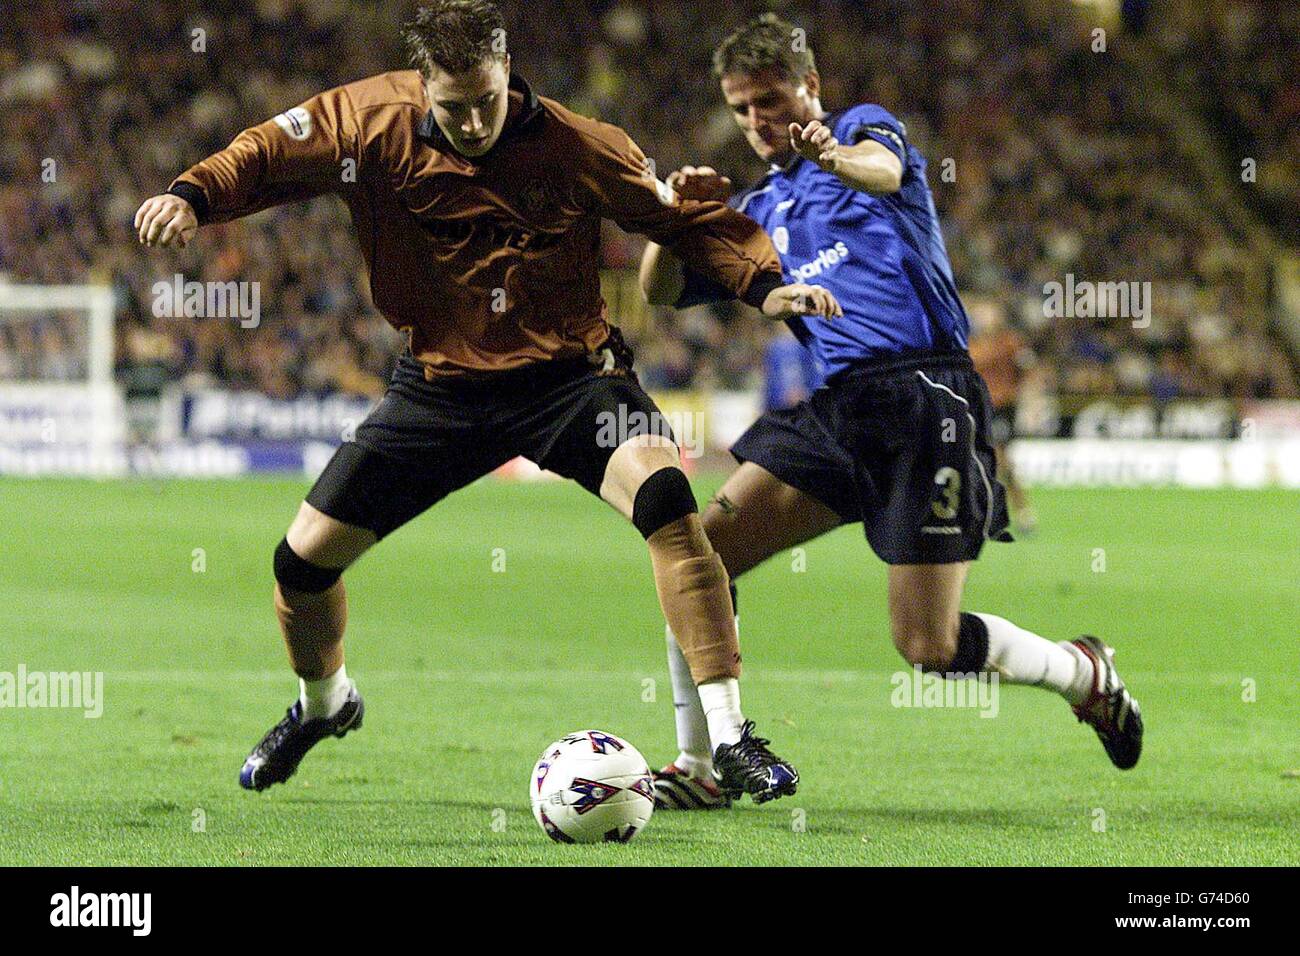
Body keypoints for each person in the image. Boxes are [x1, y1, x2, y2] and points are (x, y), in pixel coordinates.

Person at [135, 0, 841, 803]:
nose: (474, 123)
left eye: (488, 101)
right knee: (300, 564)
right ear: (422, 84)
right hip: (441, 388)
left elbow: (676, 216)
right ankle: (325, 704)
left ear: (509, 73)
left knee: (672, 508)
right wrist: (193, 195)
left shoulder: (579, 145)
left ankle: (729, 739)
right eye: (453, 106)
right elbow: (265, 152)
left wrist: (768, 286)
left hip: (572, 380)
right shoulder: (369, 121)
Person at [640, 14, 1142, 810]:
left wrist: (831, 154)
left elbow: (880, 167)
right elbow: (660, 293)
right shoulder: (754, 209)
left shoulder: (862, 129)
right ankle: (701, 766)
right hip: (840, 408)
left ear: (811, 86)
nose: (757, 122)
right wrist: (672, 221)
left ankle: (1084, 672)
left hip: (929, 397)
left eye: (770, 100)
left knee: (929, 647)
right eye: (741, 109)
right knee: (698, 556)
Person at [967, 300, 1037, 534]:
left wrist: (1025, 394)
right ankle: (1015, 513)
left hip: (1001, 408)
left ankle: (1018, 512)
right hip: (977, 409)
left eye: (988, 315)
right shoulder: (971, 346)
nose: (984, 320)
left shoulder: (1009, 343)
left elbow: (1027, 368)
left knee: (1000, 460)